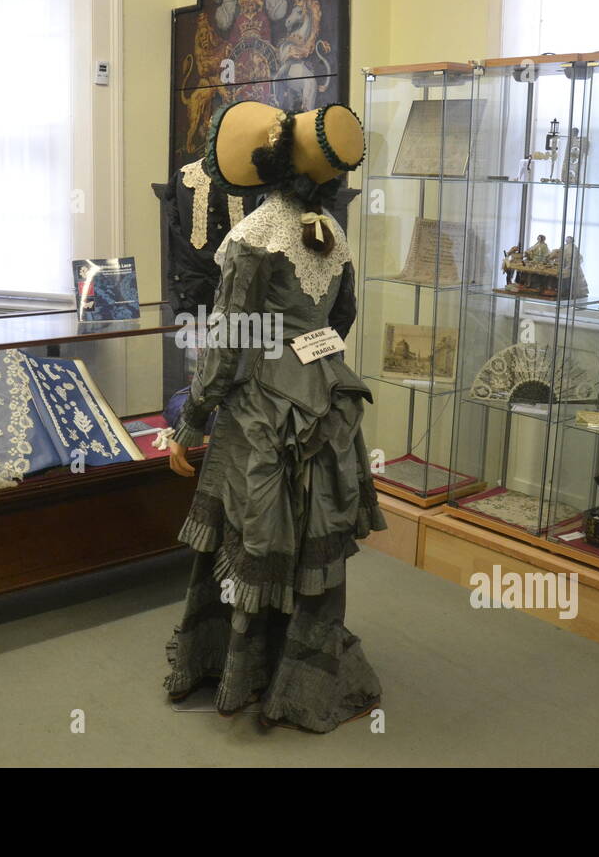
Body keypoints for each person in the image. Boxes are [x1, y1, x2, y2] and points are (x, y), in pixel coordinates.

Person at [163, 100, 386, 733]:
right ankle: (300, 664)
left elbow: (231, 342)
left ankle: (243, 670)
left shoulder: (253, 238)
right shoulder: (333, 233)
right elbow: (342, 320)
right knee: (306, 530)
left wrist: (193, 422)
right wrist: (309, 357)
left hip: (261, 406)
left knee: (256, 531)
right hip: (327, 403)